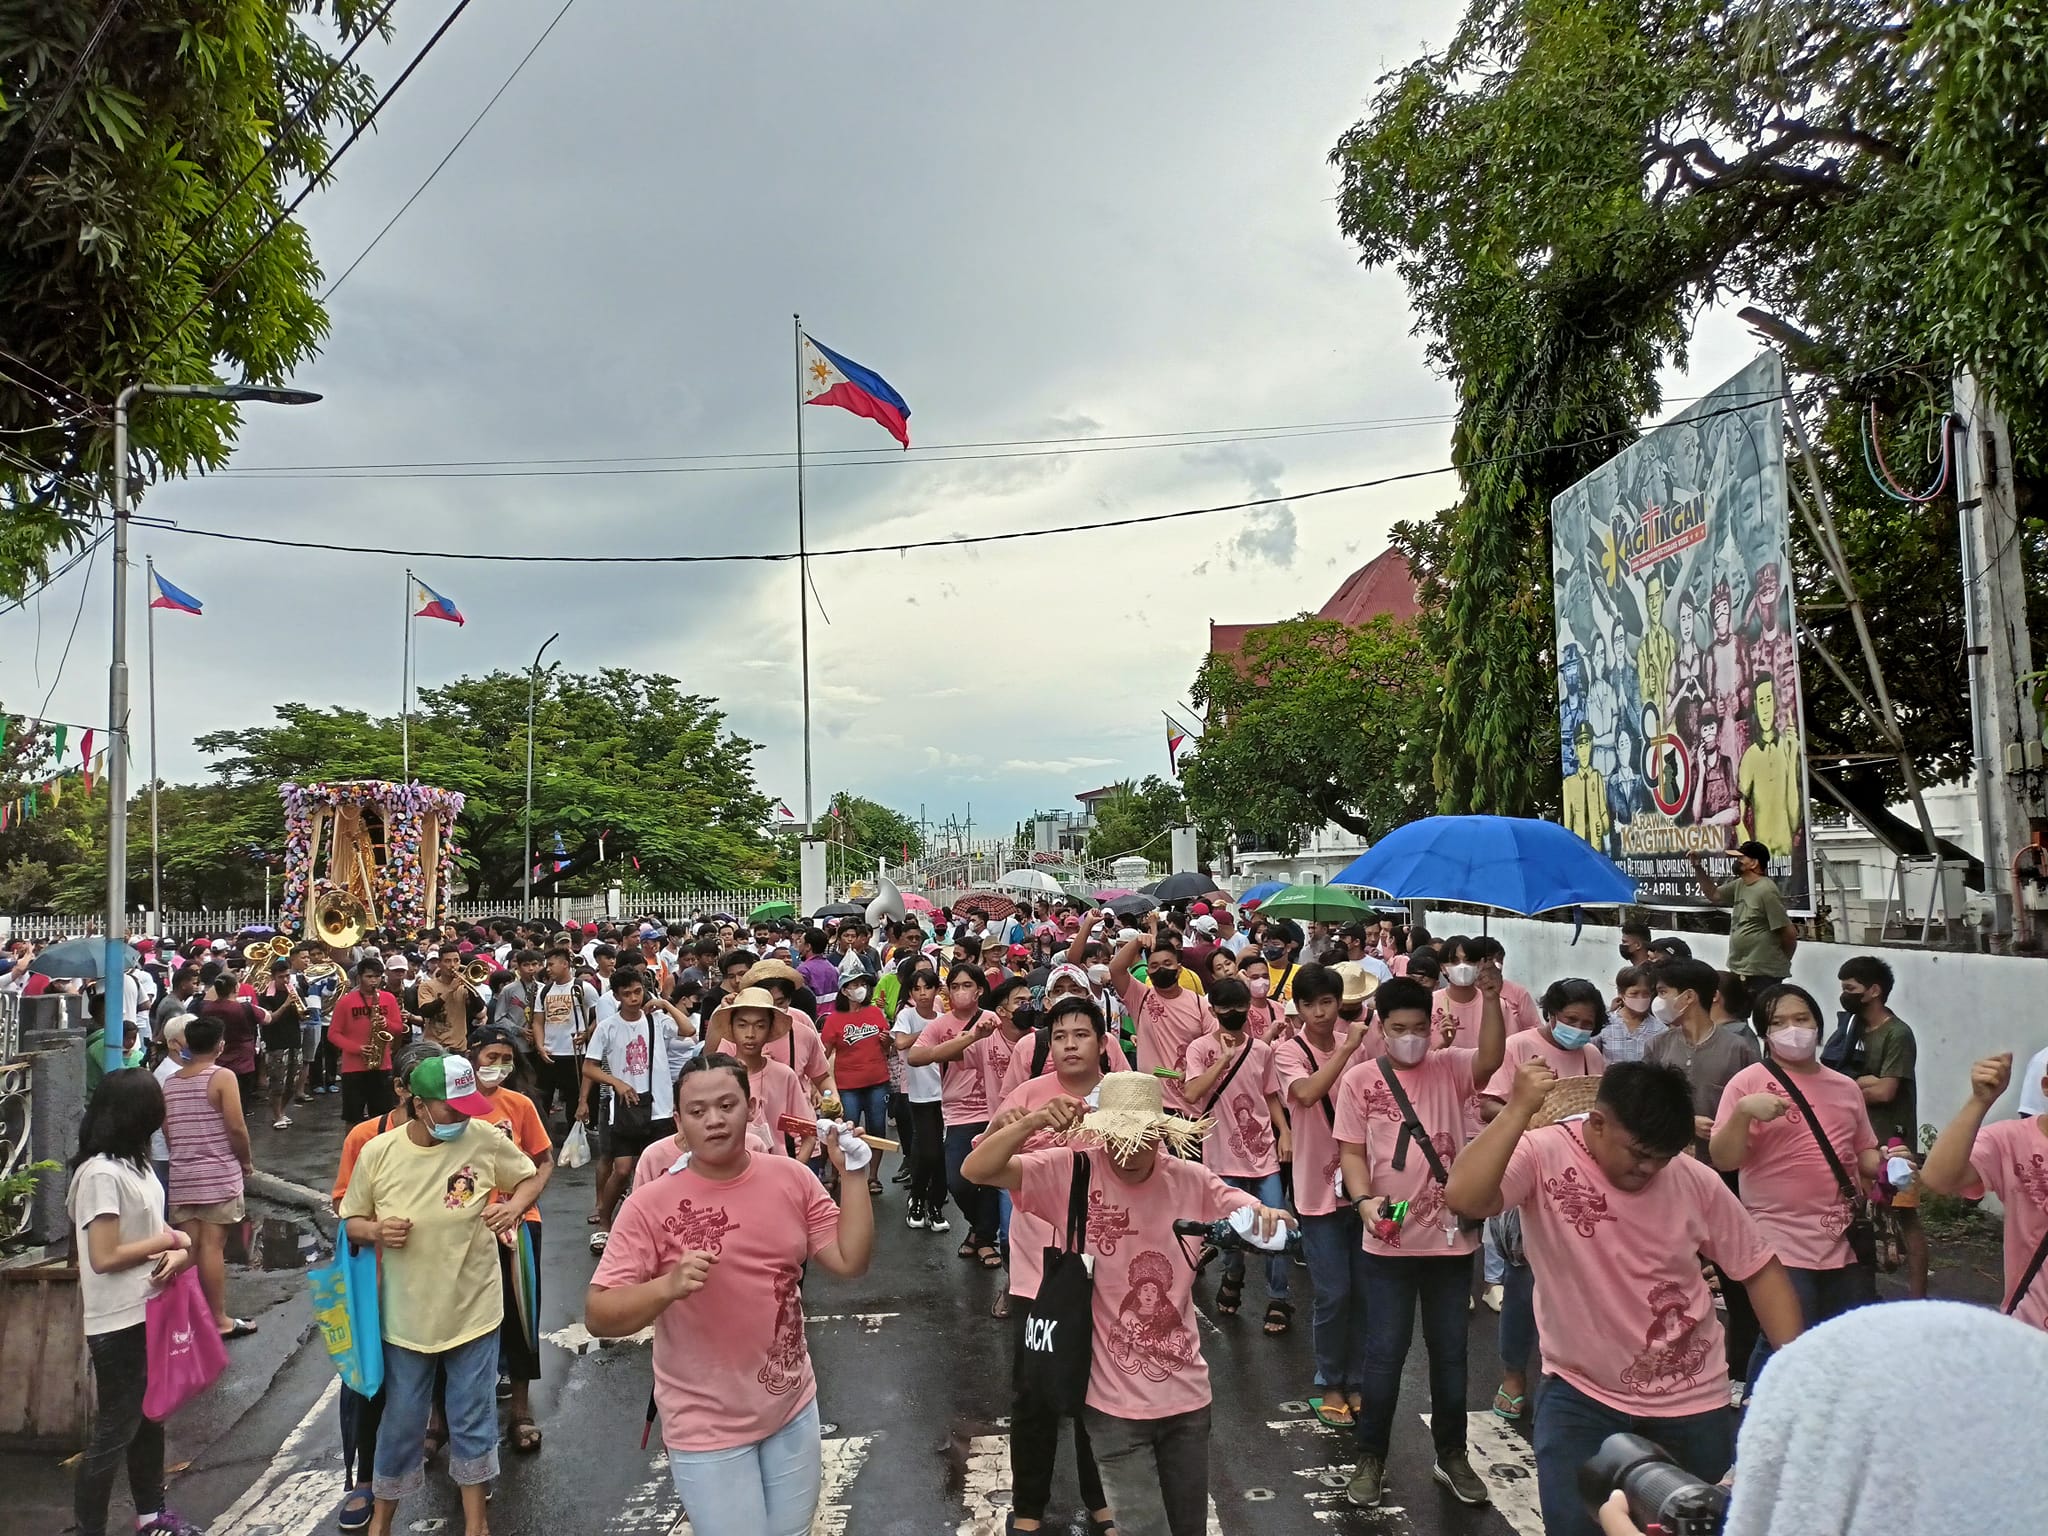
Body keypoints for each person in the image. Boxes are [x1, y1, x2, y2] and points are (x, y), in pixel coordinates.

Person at [1444, 1060, 1803, 1536]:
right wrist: (1517, 1110)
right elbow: (1466, 1197)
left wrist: (1799, 1369)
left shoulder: (1693, 1180)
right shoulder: (1542, 1153)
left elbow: (1758, 1269)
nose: (1650, 1168)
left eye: (1663, 1156)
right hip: (1580, 1397)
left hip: (1692, 1405)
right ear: (1598, 1122)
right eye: (1638, 1154)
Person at [964, 1074, 1293, 1536]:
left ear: (1160, 1132)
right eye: (1118, 1135)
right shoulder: (1070, 1170)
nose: (1130, 1150)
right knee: (1142, 1528)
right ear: (1101, 1130)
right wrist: (1034, 1120)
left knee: (1188, 1527)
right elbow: (976, 1171)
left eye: (1142, 1137)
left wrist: (1272, 1218)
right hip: (1111, 1404)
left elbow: (1249, 1213)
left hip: (1187, 1399)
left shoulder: (1190, 1180)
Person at [586, 1054, 874, 1536]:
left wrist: (854, 1176)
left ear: (752, 1106)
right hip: (705, 1423)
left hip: (792, 1404)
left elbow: (851, 1261)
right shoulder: (650, 1204)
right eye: (697, 1112)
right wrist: (667, 1286)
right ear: (678, 1122)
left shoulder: (792, 1178)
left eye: (727, 1105)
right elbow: (599, 1313)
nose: (714, 1120)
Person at [341, 1056, 544, 1536]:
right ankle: (382, 1523)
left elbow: (532, 1173)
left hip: (474, 1307)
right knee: (403, 1420)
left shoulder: (485, 1139)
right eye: (451, 1109)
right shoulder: (379, 1152)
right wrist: (375, 1230)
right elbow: (350, 1219)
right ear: (418, 1103)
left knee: (472, 1416)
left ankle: (477, 1525)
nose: (463, 1118)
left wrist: (513, 1207)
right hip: (406, 1316)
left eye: (467, 1107)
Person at [1334, 973, 1506, 1509]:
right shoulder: (1360, 1080)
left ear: (1433, 1027)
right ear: (1380, 1028)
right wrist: (1364, 1201)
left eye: (1418, 1028)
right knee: (1384, 1353)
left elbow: (1492, 1059)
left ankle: (1452, 1454)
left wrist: (1493, 998)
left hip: (1450, 1237)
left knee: (1451, 1352)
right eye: (1398, 1028)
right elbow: (1353, 1152)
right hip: (1389, 1233)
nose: (1410, 1037)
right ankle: (1371, 1456)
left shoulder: (1451, 1068)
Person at [980, 996, 1116, 1536]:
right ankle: (1030, 1508)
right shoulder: (1026, 1096)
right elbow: (983, 1165)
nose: (1070, 1045)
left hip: (1105, 1270)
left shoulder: (1124, 1096)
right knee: (1034, 1392)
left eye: (1081, 1034)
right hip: (1037, 1272)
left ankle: (1101, 1501)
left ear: (1103, 1043)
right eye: (1059, 1036)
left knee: (1100, 1392)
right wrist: (1012, 1126)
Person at [1710, 982, 1879, 1380]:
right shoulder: (1747, 1083)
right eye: (1779, 1022)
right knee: (1783, 1340)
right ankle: (1764, 1422)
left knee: (1842, 1338)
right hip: (1778, 1239)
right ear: (1765, 1034)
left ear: (1818, 1025)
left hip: (1844, 1237)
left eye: (1801, 1019)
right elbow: (1723, 1158)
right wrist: (1743, 1114)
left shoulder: (1845, 1087)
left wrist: (1889, 1163)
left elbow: (1863, 1151)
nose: (1793, 1029)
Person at [69, 1069, 202, 1536]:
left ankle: (151, 1515)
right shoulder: (100, 1174)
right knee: (117, 1428)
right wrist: (166, 1241)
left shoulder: (137, 1166)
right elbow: (104, 1256)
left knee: (150, 1418)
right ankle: (90, 1527)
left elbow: (156, 1234)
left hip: (150, 1307)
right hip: (118, 1320)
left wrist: (179, 1244)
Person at [1273, 964, 1371, 1427]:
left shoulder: (1363, 1037)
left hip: (1368, 1185)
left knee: (1367, 1291)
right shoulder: (1287, 1051)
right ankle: (1331, 1382)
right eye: (1310, 1004)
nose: (1319, 1012)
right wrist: (1347, 1050)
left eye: (1327, 1003)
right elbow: (1308, 1094)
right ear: (1298, 1006)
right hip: (1316, 1189)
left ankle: (1358, 1380)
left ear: (1339, 1002)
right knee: (1333, 1292)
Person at [1182, 976, 1292, 1333]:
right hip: (1221, 1157)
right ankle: (1233, 1271)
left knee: (1276, 1225)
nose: (1233, 1013)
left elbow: (1271, 1095)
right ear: (1212, 1010)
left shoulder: (1261, 1051)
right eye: (1225, 1008)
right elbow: (1192, 1094)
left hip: (1263, 1156)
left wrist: (1284, 1132)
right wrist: (1222, 1061)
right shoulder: (1199, 1049)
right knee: (1230, 1231)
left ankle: (1278, 1297)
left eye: (1240, 1007)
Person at [467, 1025, 554, 1454]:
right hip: (462, 1230)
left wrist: (517, 1207)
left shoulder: (518, 1105)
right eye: (491, 1057)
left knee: (521, 1317)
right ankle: (441, 1420)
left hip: (518, 1225)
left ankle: (520, 1410)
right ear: (471, 1055)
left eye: (506, 1059)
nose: (497, 1066)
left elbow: (543, 1162)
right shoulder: (449, 1108)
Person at [1920, 1052, 2048, 1331]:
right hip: (2029, 1331)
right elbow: (1938, 1178)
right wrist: (1979, 1101)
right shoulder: (2014, 1140)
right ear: (2046, 1086)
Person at [1832, 955, 1927, 1297]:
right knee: (1861, 1218)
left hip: (1893, 1136)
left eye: (1850, 988)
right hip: (1860, 1140)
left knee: (1905, 1215)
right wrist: (1863, 1082)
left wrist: (1851, 1087)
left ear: (1874, 991)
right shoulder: (1850, 1028)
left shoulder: (1897, 1033)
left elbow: (1887, 1090)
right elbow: (1832, 1075)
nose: (1844, 994)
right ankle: (1865, 1295)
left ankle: (1918, 1299)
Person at [162, 1013, 257, 1339]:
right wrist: (245, 1161)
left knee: (189, 1248)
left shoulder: (171, 1082)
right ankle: (218, 1320)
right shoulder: (222, 1077)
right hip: (217, 1172)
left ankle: (184, 1318)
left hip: (183, 1173)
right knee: (213, 1248)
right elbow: (236, 1127)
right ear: (220, 1045)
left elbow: (168, 1130)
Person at [906, 962, 1003, 1267]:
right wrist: (966, 1039)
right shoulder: (940, 1025)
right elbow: (915, 1056)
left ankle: (984, 1239)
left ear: (980, 990)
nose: (961, 992)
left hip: (994, 1110)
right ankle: (980, 1228)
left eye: (967, 986)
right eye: (956, 986)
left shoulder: (994, 1020)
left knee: (988, 1179)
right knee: (958, 1181)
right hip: (959, 1112)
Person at [582, 971, 687, 1253]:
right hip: (626, 1108)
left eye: (637, 992)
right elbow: (589, 1066)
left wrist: (666, 1005)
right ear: (616, 996)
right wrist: (616, 1082)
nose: (633, 998)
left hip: (660, 1106)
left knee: (662, 1167)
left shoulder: (656, 1020)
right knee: (623, 1168)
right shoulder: (608, 1027)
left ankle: (657, 1222)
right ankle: (605, 1219)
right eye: (626, 993)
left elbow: (688, 1030)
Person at [1688, 839, 1796, 990]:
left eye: (1741, 858)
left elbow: (1788, 933)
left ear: (1754, 863)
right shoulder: (1740, 884)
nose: (1736, 861)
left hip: (1762, 974)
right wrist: (1697, 867)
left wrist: (1780, 962)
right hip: (1740, 969)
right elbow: (1713, 894)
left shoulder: (1766, 890)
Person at [892, 966, 951, 1232]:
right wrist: (930, 1030)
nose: (922, 993)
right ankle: (918, 1197)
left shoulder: (945, 1017)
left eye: (927, 987)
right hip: (920, 1096)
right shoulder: (907, 1015)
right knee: (929, 1151)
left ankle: (935, 1204)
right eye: (917, 989)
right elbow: (901, 1043)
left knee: (942, 1154)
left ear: (937, 990)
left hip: (948, 1095)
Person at [820, 973, 892, 1193]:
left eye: (863, 984)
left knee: (876, 1128)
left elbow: (886, 1049)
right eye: (855, 985)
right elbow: (823, 1054)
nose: (860, 988)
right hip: (847, 1084)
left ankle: (873, 1176)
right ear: (844, 990)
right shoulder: (834, 1019)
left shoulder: (875, 1013)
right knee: (843, 1130)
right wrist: (823, 1086)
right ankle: (837, 1173)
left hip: (877, 1080)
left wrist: (887, 1042)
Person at [329, 958, 406, 1124]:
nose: (374, 981)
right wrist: (357, 1048)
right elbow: (333, 1034)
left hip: (382, 1065)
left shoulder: (388, 998)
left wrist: (387, 1024)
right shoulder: (346, 1002)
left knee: (383, 1116)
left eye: (377, 977)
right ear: (359, 977)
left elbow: (399, 1028)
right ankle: (352, 1149)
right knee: (352, 1116)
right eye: (369, 976)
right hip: (353, 1068)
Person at [1595, 965, 1665, 1063]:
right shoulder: (1605, 1024)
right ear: (1621, 994)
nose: (1640, 998)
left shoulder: (1660, 1030)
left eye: (1646, 994)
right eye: (1634, 993)